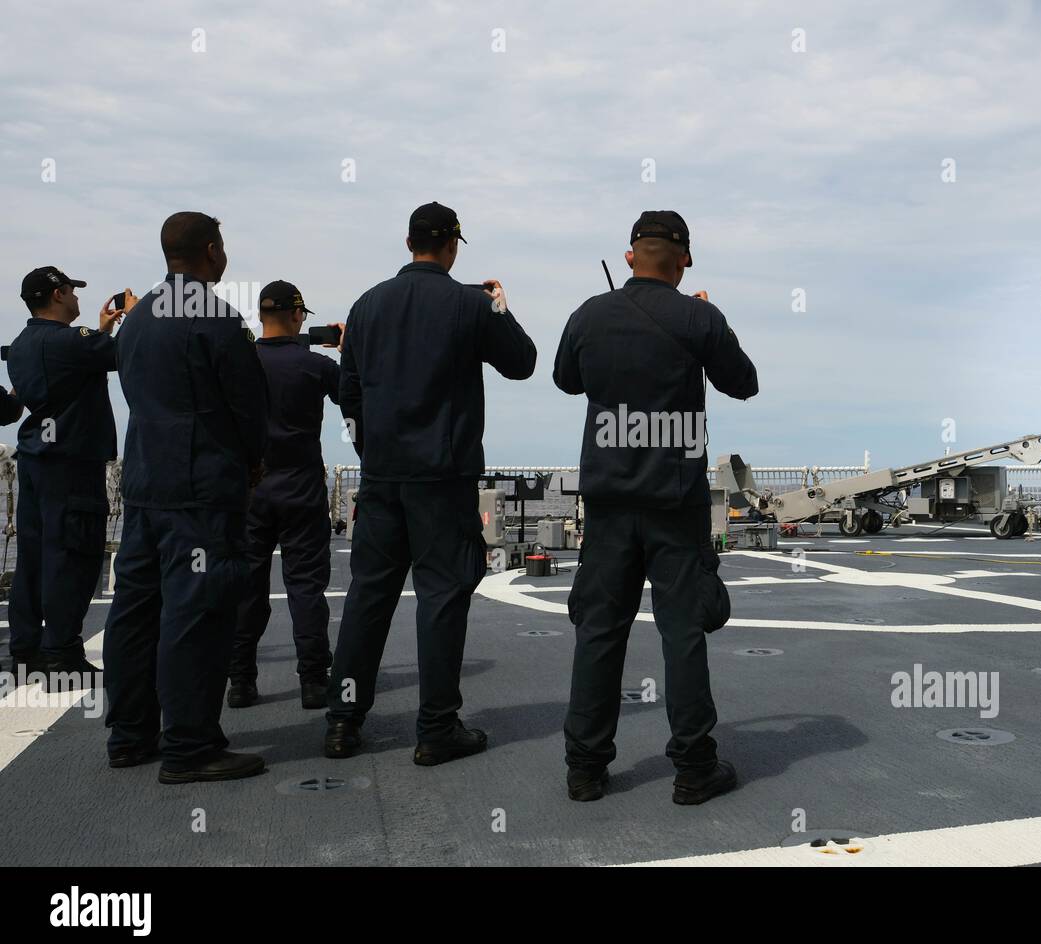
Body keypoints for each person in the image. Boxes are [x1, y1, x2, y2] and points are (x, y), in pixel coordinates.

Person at [553, 211, 759, 804]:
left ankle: (585, 769)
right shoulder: (698, 316)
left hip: (610, 504)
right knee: (682, 634)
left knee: (598, 633)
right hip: (675, 504)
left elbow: (567, 380)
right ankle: (694, 769)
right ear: (685, 260)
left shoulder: (590, 314)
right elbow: (742, 383)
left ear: (628, 258)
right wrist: (701, 323)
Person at [324, 201, 536, 765]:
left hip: (383, 476)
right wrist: (500, 307)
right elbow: (522, 363)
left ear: (408, 242)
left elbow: (349, 389)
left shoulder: (367, 305)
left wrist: (372, 451)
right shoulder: (470, 304)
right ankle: (436, 727)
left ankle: (343, 722)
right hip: (442, 478)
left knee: (369, 596)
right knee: (441, 599)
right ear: (452, 247)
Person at [102, 212, 270, 784]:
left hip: (145, 484)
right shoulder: (216, 318)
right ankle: (191, 746)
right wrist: (251, 464)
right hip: (201, 490)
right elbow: (249, 407)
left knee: (136, 612)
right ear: (212, 250)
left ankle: (128, 736)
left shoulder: (138, 318)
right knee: (196, 613)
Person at [5, 268, 132, 678]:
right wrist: (135, 314)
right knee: (73, 557)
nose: (78, 299)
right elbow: (125, 354)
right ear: (59, 294)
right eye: (73, 292)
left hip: (36, 461)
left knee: (34, 558)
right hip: (73, 463)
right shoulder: (70, 342)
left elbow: (73, 364)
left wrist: (99, 331)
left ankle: (25, 648)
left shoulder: (23, 344)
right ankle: (61, 652)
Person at [227, 281, 342, 710]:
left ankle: (240, 681)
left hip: (249, 493)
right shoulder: (316, 365)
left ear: (260, 316)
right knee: (307, 589)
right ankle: (313, 680)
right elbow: (356, 395)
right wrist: (347, 353)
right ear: (298, 316)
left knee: (246, 588)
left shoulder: (240, 363)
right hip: (303, 491)